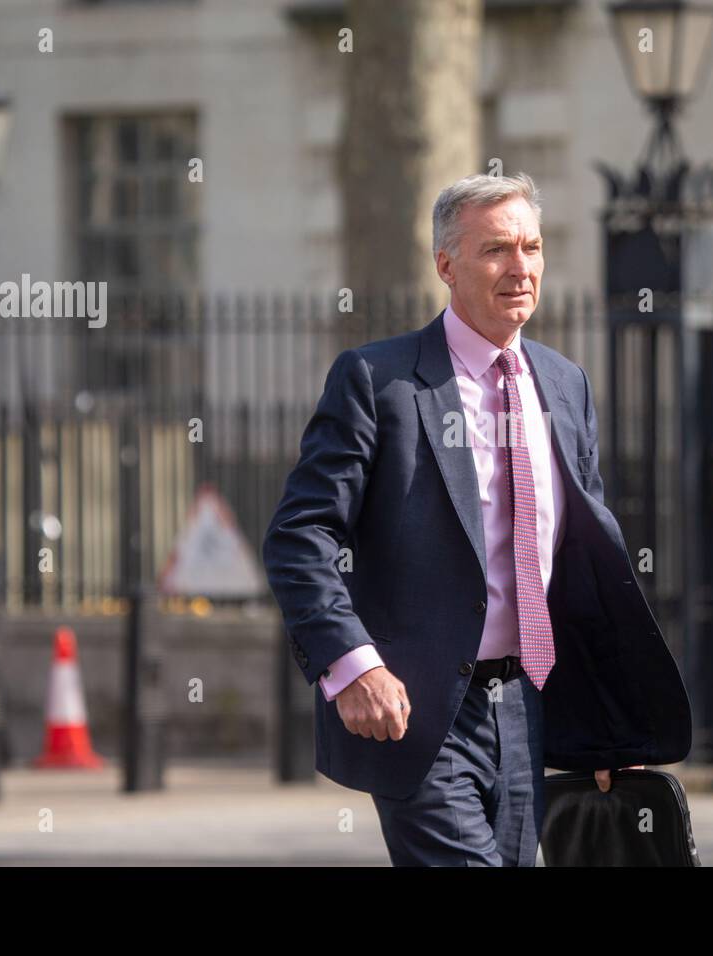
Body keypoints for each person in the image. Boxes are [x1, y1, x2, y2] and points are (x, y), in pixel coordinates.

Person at [263, 172, 691, 866]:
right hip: (420, 708)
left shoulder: (565, 383)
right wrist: (351, 665)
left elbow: (582, 566)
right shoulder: (378, 380)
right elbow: (300, 535)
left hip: (527, 706)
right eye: (496, 250)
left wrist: (611, 724)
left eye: (532, 247)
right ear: (446, 265)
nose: (521, 268)